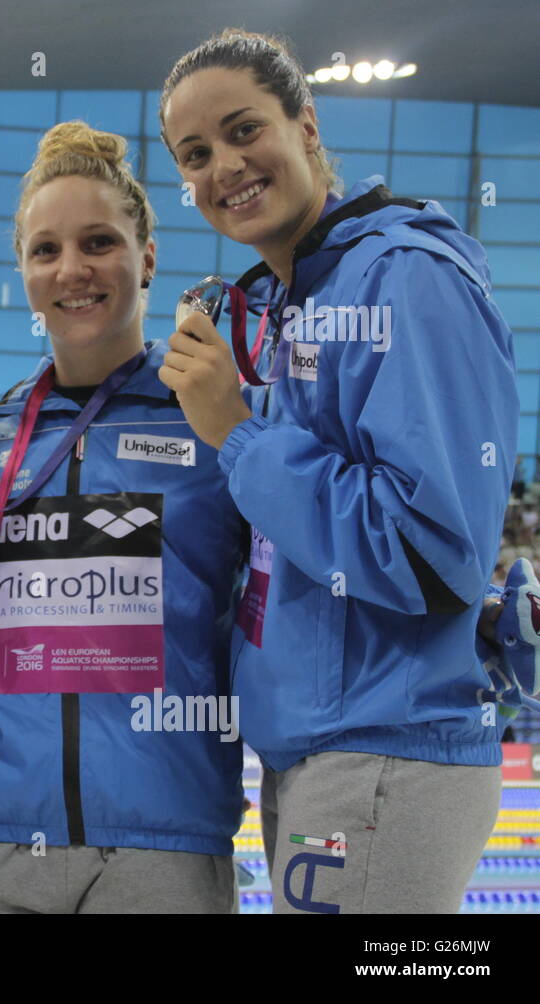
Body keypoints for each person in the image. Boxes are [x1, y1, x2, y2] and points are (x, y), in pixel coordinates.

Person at [157, 28, 519, 913]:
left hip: (387, 753)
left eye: (245, 131)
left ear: (306, 124)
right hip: (322, 748)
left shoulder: (404, 278)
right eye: (195, 154)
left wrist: (237, 434)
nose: (225, 168)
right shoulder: (300, 301)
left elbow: (434, 554)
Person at [0, 122, 247, 914]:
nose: (73, 270)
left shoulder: (214, 424)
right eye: (45, 250)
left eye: (98, 242)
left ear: (147, 257)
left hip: (164, 844)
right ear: (22, 269)